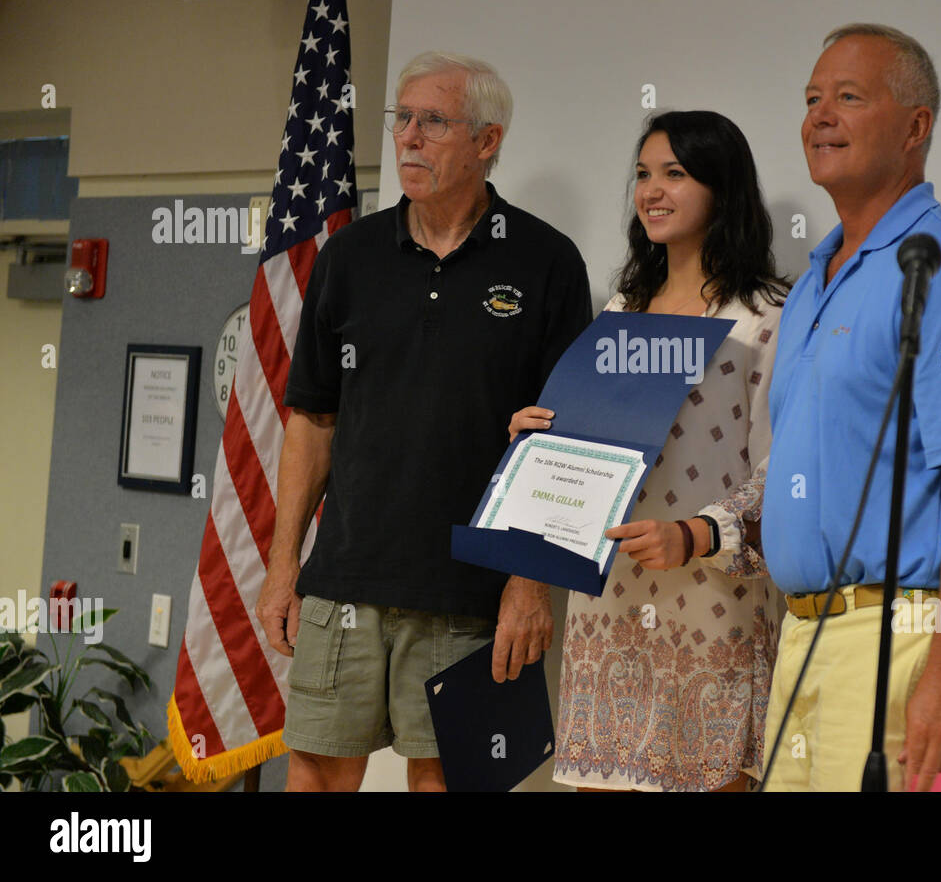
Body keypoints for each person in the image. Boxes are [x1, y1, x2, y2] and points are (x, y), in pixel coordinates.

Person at [255, 51, 593, 792]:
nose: (408, 137)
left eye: (432, 121)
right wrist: (283, 567)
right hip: (344, 577)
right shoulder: (349, 256)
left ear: (486, 139)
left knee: (446, 780)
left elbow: (565, 446)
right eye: (402, 118)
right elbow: (311, 417)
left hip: (468, 590)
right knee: (312, 774)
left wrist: (529, 585)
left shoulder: (547, 262)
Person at [754, 24, 941, 791]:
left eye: (848, 97)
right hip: (804, 641)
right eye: (812, 99)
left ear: (917, 127)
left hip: (910, 644)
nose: (819, 116)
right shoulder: (812, 280)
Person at [510, 110, 789, 791]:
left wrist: (697, 535)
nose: (651, 190)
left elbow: (778, 475)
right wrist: (536, 442)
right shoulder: (621, 311)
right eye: (642, 174)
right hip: (610, 608)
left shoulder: (766, 316)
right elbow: (590, 449)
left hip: (714, 606)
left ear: (722, 189)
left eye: (674, 173)